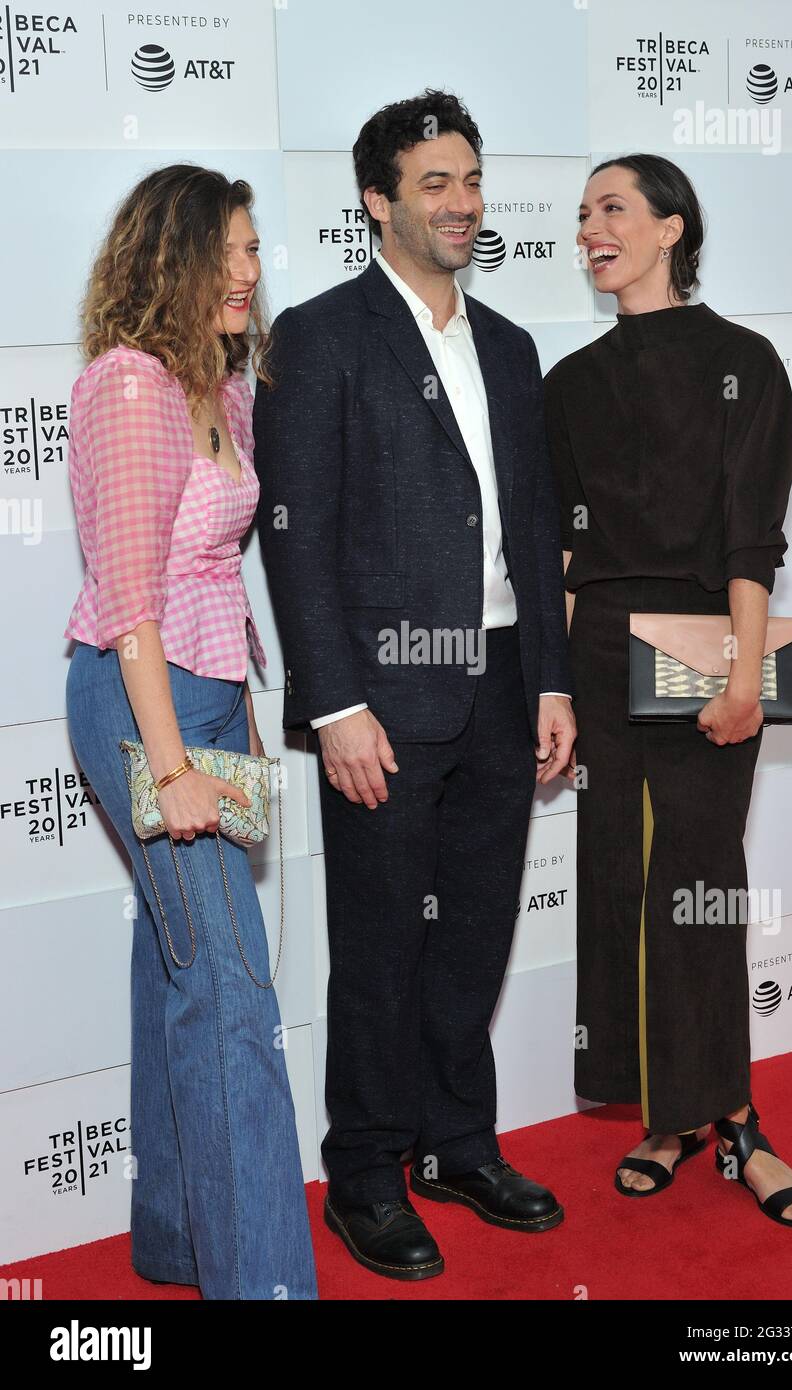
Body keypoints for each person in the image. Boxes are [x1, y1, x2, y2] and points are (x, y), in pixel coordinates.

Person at [253, 89, 576, 1282]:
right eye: (434, 183)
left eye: (472, 180)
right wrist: (334, 703)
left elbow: (535, 528)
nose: (462, 204)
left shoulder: (510, 346)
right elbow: (299, 535)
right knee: (383, 945)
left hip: (500, 688)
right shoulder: (322, 336)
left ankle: (457, 1144)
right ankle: (370, 1175)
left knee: (474, 936)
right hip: (383, 702)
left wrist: (549, 680)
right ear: (377, 201)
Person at [545, 153, 792, 1228]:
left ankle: (739, 1120)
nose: (590, 230)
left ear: (670, 229)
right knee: (621, 882)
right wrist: (555, 696)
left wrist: (748, 673)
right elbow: (564, 558)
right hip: (604, 652)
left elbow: (753, 539)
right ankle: (669, 1116)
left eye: (612, 209)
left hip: (710, 642)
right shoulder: (567, 385)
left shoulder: (744, 364)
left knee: (699, 882)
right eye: (581, 216)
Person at [64, 163, 318, 1298]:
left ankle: (174, 1235)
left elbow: (217, 575)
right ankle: (261, 1282)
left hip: (210, 691)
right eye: (231, 249)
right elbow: (129, 597)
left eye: (257, 250)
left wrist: (246, 728)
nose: (251, 270)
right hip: (137, 695)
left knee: (173, 963)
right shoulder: (128, 387)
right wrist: (170, 766)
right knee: (228, 993)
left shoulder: (226, 382)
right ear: (172, 256)